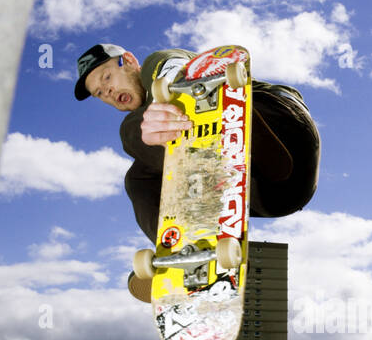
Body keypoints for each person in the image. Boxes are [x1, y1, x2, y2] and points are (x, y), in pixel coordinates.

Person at [74, 43, 320, 301]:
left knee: (133, 129)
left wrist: (173, 87)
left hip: (280, 123)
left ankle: (216, 120)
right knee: (137, 179)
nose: (109, 92)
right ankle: (187, 256)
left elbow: (172, 64)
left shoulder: (152, 66)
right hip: (279, 194)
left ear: (129, 60)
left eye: (107, 77)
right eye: (100, 93)